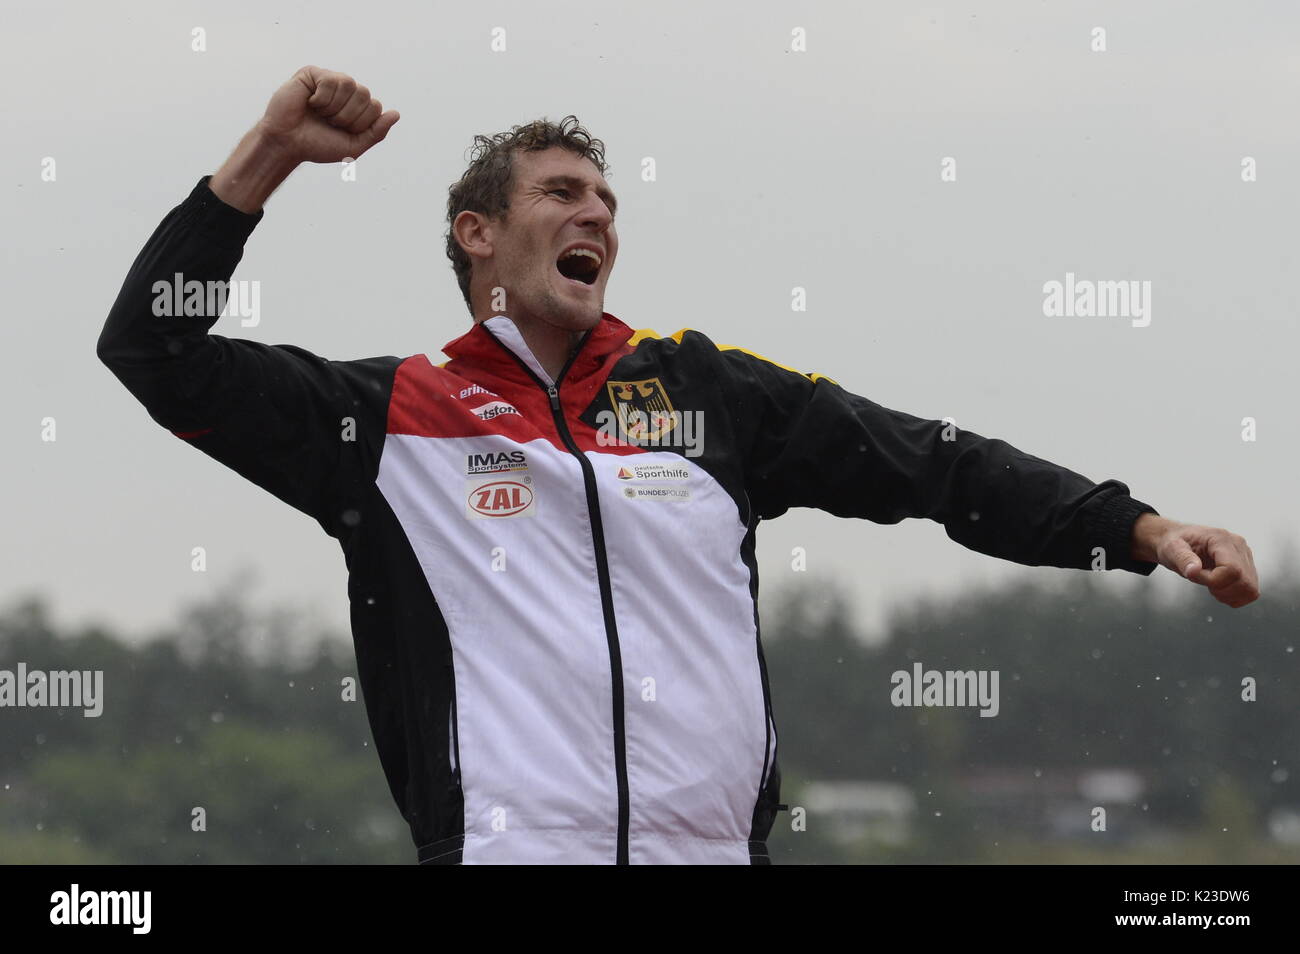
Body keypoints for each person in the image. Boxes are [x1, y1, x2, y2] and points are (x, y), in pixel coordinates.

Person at [97, 66, 1261, 865]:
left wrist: (1137, 528)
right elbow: (149, 347)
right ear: (478, 235)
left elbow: (933, 466)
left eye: (605, 200)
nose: (593, 213)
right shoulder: (385, 415)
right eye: (559, 193)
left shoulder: (706, 392)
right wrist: (266, 157)